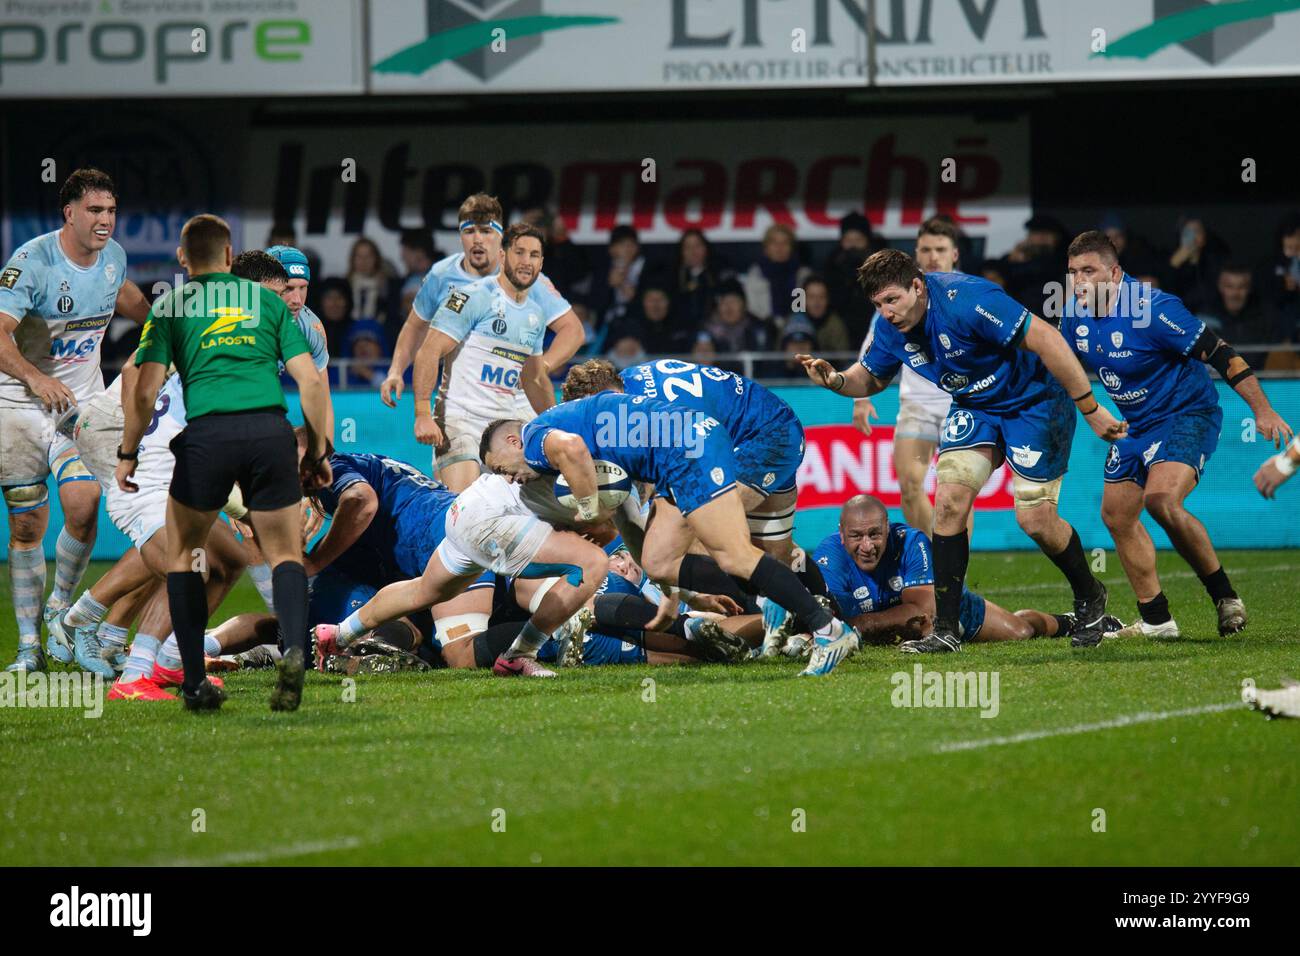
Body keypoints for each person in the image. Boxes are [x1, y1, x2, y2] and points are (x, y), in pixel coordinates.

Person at [799, 248, 1125, 652]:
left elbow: (1048, 339)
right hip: (977, 407)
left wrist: (1090, 409)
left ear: (917, 286)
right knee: (949, 505)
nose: (886, 312)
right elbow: (868, 379)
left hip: (1035, 403)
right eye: (879, 304)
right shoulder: (890, 329)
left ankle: (1090, 596)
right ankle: (946, 629)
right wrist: (834, 380)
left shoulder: (968, 300)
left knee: (1035, 519)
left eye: (893, 300)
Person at [480, 391, 861, 677]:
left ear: (513, 443)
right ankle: (782, 608)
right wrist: (672, 597)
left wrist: (587, 511)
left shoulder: (534, 439)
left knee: (734, 555)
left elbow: (573, 449)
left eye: (501, 468)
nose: (510, 478)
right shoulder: (585, 444)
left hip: (686, 448)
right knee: (659, 560)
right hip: (676, 450)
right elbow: (631, 527)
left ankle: (828, 629)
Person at [118, 213, 332, 712]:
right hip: (268, 432)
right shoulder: (270, 302)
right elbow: (313, 382)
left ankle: (193, 680)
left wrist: (128, 451)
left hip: (208, 436)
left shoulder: (172, 306)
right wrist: (318, 452)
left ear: (182, 258)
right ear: (231, 257)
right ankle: (295, 651)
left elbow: (145, 388)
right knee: (283, 553)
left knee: (185, 555)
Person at [1064, 230, 1292, 638]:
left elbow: (1221, 353)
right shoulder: (1073, 316)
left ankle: (1225, 596)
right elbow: (1057, 364)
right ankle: (1157, 620)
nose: (1079, 281)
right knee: (1116, 514)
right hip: (1134, 424)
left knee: (1161, 500)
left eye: (1089, 271)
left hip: (1187, 414)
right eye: (1073, 273)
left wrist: (1262, 410)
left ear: (1114, 273)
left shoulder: (1152, 309)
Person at [0, 168, 151, 673]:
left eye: (110, 210)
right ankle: (28, 647)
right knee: (26, 523)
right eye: (94, 210)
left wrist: (161, 327)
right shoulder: (31, 262)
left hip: (78, 405)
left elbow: (125, 295)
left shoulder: (113, 257)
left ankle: (61, 608)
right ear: (70, 213)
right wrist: (34, 377)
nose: (105, 220)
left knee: (84, 503)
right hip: (18, 404)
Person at [313, 471, 610, 678]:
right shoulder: (575, 444)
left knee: (422, 591)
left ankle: (337, 634)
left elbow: (496, 444)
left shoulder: (560, 434)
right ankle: (521, 654)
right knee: (591, 563)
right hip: (488, 520)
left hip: (463, 510)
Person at [560, 357, 809, 570]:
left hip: (763, 438)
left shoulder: (640, 416)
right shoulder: (628, 383)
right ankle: (825, 603)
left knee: (687, 538)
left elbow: (689, 462)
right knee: (779, 551)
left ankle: (746, 605)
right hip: (776, 421)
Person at [381, 194, 583, 433]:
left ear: (501, 236)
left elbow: (573, 330)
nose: (478, 239)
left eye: (486, 231)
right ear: (460, 236)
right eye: (469, 231)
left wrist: (543, 366)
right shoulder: (442, 275)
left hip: (516, 398)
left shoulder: (526, 277)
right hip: (461, 402)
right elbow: (415, 326)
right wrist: (396, 370)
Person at [812, 495, 1084, 650]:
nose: (867, 545)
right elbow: (830, 617)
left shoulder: (911, 541)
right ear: (841, 535)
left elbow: (923, 611)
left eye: (875, 534)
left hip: (947, 610)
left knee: (1020, 631)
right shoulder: (828, 556)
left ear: (888, 527)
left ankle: (1069, 622)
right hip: (899, 624)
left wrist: (857, 626)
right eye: (856, 536)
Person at [410, 222, 557, 491]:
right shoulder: (472, 297)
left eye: (534, 255)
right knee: (463, 508)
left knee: (543, 501)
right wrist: (422, 413)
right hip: (459, 421)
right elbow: (428, 351)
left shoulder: (536, 315)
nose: (527, 262)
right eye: (519, 253)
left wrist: (556, 421)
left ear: (542, 261)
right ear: (502, 256)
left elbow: (534, 378)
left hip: (504, 427)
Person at [853, 218, 965, 535]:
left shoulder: (967, 294)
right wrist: (861, 398)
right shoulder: (896, 296)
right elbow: (872, 348)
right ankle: (934, 558)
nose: (933, 256)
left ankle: (958, 572)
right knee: (910, 487)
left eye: (940, 249)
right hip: (917, 404)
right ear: (916, 253)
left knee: (956, 494)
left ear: (954, 254)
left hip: (963, 404)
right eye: (926, 249)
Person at [741, 224, 811, 324]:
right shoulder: (755, 276)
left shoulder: (803, 276)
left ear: (792, 248)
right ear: (766, 248)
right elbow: (753, 311)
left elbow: (803, 308)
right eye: (774, 243)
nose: (779, 247)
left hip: (797, 330)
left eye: (785, 243)